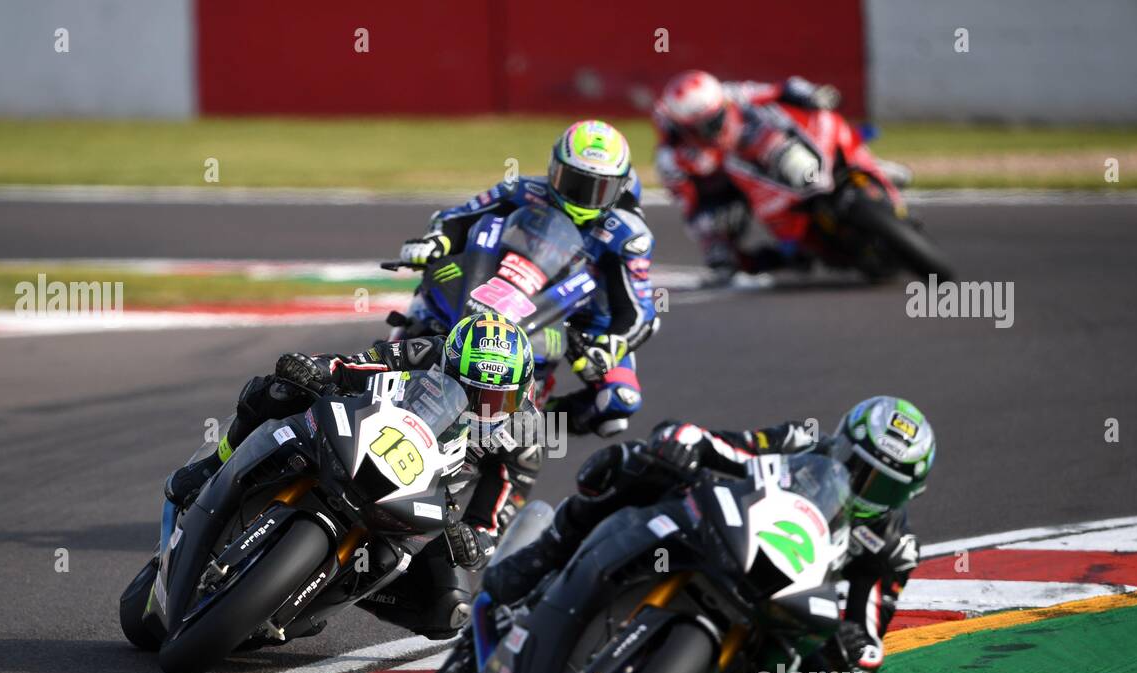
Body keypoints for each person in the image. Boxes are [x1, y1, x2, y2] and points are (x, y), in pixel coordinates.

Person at [484, 396, 935, 673]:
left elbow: (869, 620)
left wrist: (857, 649)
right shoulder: (801, 444)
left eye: (885, 486)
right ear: (841, 443)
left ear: (908, 493)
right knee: (638, 465)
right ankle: (546, 553)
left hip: (787, 606)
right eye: (859, 468)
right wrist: (688, 440)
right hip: (732, 537)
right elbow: (734, 449)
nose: (863, 488)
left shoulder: (894, 548)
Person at [168, 312, 540, 639]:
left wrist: (476, 541)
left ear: (521, 393)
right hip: (369, 439)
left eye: (496, 400)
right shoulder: (427, 351)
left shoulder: (525, 432)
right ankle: (213, 465)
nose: (481, 408)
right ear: (447, 367)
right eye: (469, 391)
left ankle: (316, 600)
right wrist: (316, 369)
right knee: (282, 390)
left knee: (450, 610)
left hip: (425, 502)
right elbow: (356, 364)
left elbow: (502, 510)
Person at [398, 119, 658, 438]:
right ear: (554, 169)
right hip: (511, 286)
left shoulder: (628, 236)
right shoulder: (522, 189)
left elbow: (639, 311)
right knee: (433, 288)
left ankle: (531, 427)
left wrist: (610, 344)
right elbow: (458, 218)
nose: (582, 197)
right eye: (574, 181)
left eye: (598, 188)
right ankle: (396, 348)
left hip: (585, 322)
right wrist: (437, 241)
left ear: (618, 188)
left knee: (618, 402)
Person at [652, 69, 846, 279]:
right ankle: (770, 255)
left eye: (717, 117)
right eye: (704, 125)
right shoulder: (671, 157)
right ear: (684, 127)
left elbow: (781, 88)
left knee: (791, 131)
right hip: (728, 189)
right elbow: (688, 205)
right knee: (717, 242)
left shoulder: (730, 94)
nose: (714, 128)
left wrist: (811, 94)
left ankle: (834, 170)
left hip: (755, 147)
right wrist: (707, 218)